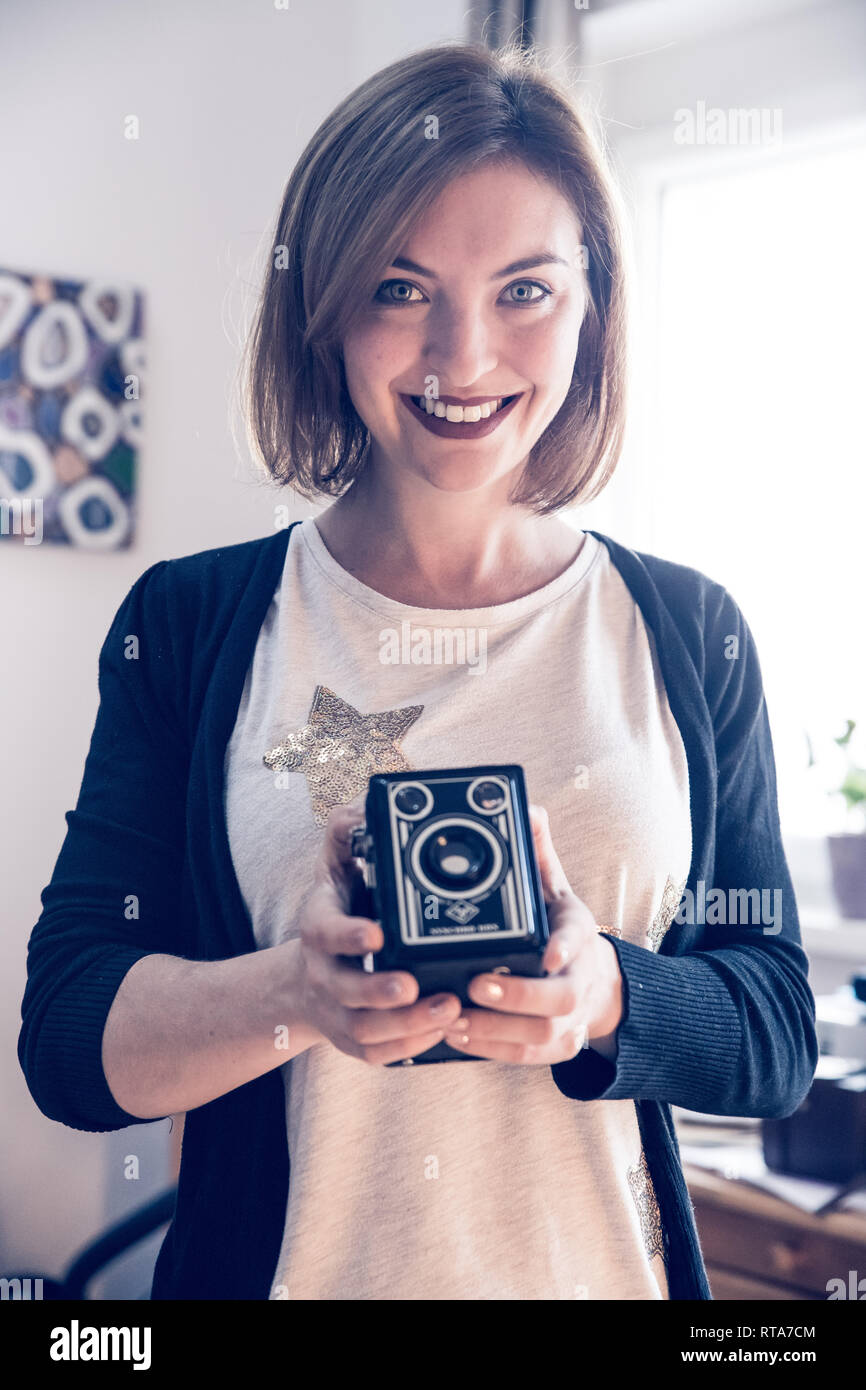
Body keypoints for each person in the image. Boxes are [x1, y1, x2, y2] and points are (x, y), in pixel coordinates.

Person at [19, 40, 817, 1301]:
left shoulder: (686, 627)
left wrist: (605, 996)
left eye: (523, 290)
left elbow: (774, 1032)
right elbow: (68, 1039)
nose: (462, 357)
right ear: (322, 306)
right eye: (400, 287)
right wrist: (294, 993)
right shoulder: (191, 622)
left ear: (592, 306)